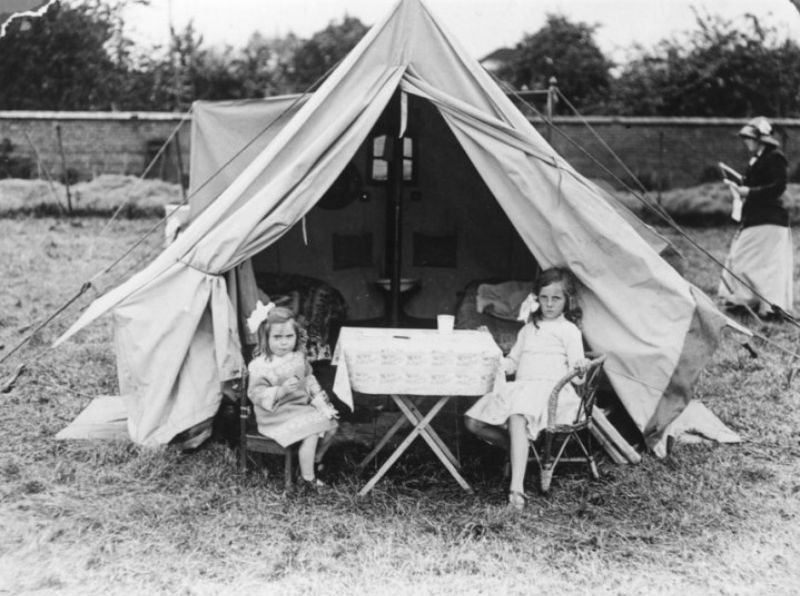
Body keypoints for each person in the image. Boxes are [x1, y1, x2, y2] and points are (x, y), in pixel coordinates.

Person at [464, 267, 589, 511]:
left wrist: (581, 369)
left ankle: (516, 490)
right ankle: (520, 450)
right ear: (537, 298)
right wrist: (489, 346)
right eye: (544, 298)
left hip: (552, 395)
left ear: (567, 301)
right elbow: (511, 365)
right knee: (473, 421)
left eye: (556, 298)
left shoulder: (569, 331)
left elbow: (577, 378)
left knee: (518, 417)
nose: (550, 304)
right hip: (524, 389)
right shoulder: (529, 329)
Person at [246, 301, 339, 488]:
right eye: (277, 337)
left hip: (298, 408)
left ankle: (315, 460)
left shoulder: (298, 357)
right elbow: (255, 393)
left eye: (289, 336)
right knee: (312, 432)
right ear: (266, 338)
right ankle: (308, 478)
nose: (284, 342)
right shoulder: (261, 366)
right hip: (276, 414)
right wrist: (280, 390)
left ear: (297, 336)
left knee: (332, 426)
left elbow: (309, 378)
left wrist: (320, 401)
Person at [718, 116, 793, 321]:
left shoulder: (774, 157)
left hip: (769, 218)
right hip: (756, 217)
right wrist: (741, 186)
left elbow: (778, 186)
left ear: (762, 139)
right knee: (742, 260)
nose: (747, 142)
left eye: (750, 138)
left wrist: (748, 191)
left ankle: (769, 308)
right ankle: (746, 302)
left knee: (756, 263)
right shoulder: (758, 159)